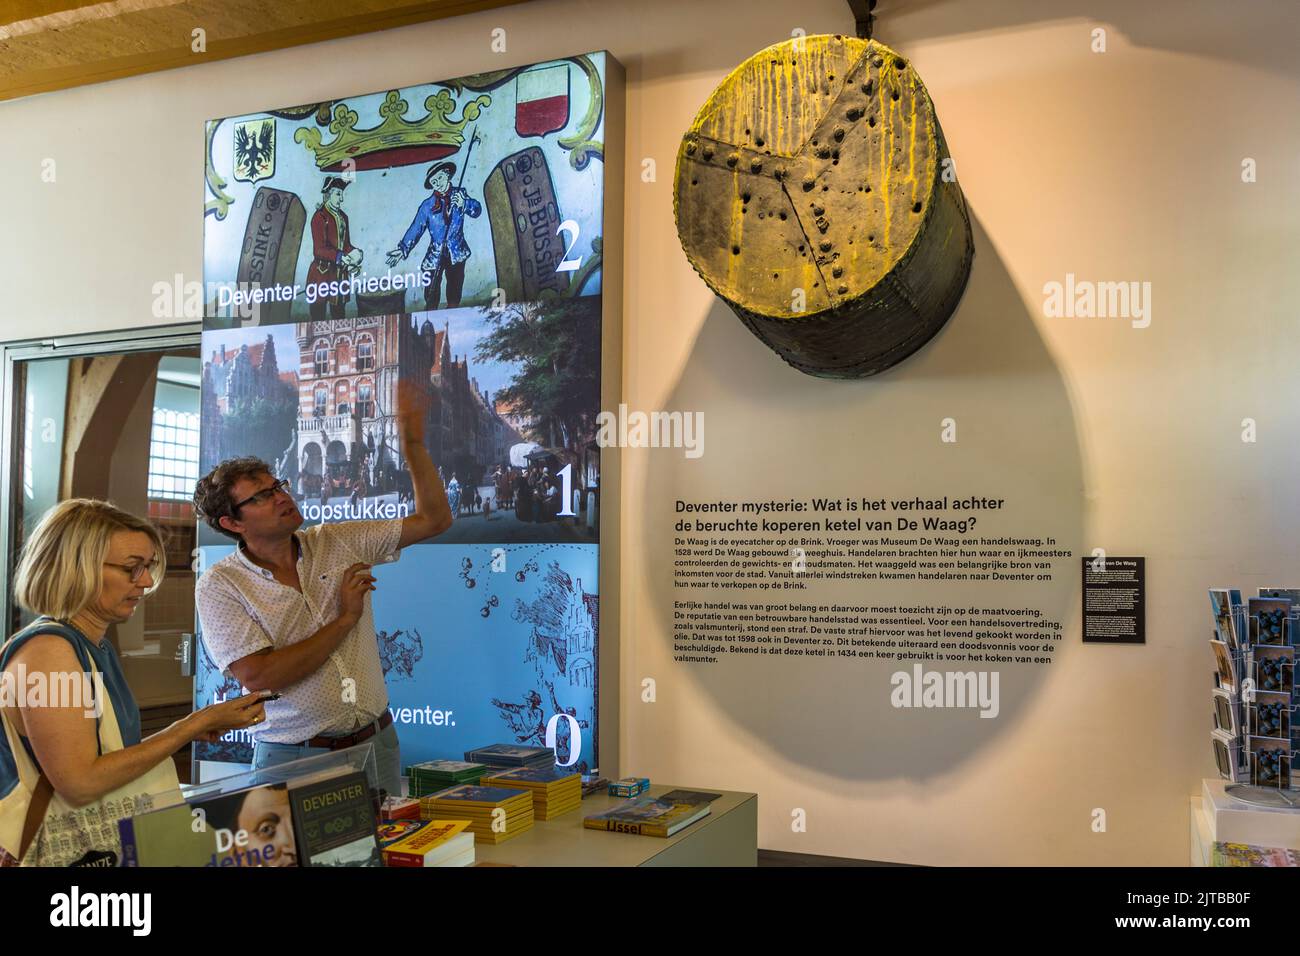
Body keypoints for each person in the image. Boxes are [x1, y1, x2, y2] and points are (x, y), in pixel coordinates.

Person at [193, 380, 452, 800]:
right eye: (262, 497)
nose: (280, 498)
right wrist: (346, 617)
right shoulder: (221, 585)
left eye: (278, 487)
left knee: (381, 858)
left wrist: (414, 444)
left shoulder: (337, 540)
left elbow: (435, 520)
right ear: (232, 523)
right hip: (293, 756)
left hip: (376, 744)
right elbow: (263, 674)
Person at [0, 499, 266, 866]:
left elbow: (100, 753)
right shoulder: (50, 652)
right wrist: (193, 724)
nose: (144, 582)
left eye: (147, 567)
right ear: (76, 569)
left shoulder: (88, 647)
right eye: (131, 568)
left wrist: (188, 732)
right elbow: (80, 783)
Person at [385, 161, 482, 310]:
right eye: (434, 181)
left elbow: (477, 211)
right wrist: (403, 248)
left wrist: (465, 203)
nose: (438, 183)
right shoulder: (427, 205)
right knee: (431, 289)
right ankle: (430, 313)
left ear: (448, 175)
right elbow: (416, 227)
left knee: (455, 287)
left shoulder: (460, 194)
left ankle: (452, 311)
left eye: (440, 178)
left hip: (457, 251)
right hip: (435, 253)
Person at [308, 176, 363, 322]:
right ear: (328, 195)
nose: (341, 199)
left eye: (342, 194)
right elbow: (319, 249)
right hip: (322, 274)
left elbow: (346, 246)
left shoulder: (343, 217)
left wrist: (355, 255)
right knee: (317, 316)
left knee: (339, 316)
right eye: (338, 194)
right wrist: (340, 257)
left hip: (340, 275)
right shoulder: (319, 217)